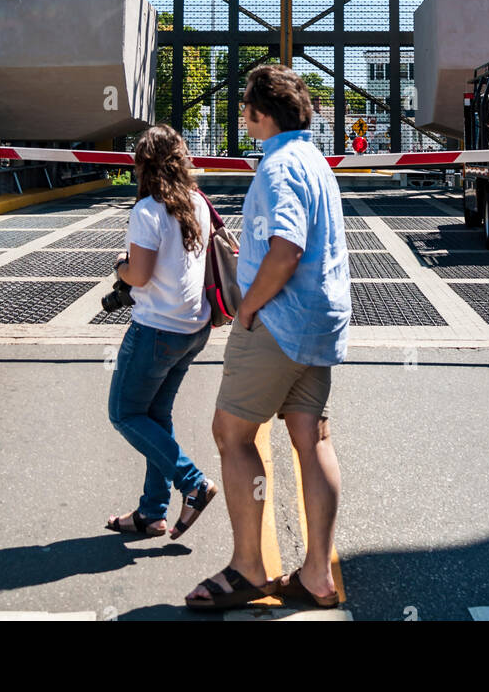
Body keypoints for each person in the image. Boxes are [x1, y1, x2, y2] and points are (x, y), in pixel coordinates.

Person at [186, 64, 351, 613]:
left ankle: (249, 569)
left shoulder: (279, 166)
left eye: (244, 107)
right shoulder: (316, 162)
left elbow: (287, 247)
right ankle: (316, 577)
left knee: (233, 435)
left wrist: (248, 307)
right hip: (321, 321)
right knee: (313, 439)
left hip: (278, 322)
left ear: (261, 113)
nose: (241, 115)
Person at [106, 124, 218, 540]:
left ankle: (193, 483)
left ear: (143, 166)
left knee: (124, 414)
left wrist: (121, 265)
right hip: (194, 327)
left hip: (157, 330)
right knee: (155, 416)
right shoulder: (197, 203)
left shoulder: (147, 210)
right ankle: (151, 513)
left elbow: (139, 275)